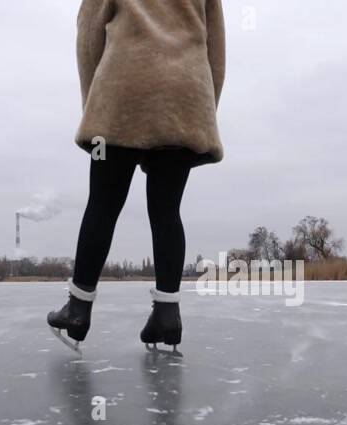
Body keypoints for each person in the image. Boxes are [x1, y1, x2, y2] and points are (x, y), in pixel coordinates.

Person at [47, 0, 226, 356]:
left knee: (102, 204)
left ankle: (78, 309)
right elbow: (215, 47)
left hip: (121, 89)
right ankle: (167, 314)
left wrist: (94, 106)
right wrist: (203, 108)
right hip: (185, 94)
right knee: (166, 211)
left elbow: (88, 38)